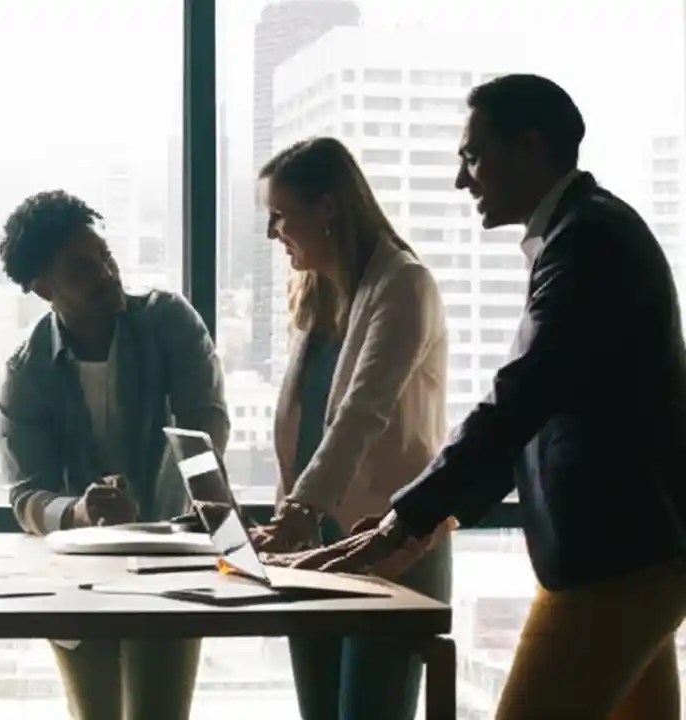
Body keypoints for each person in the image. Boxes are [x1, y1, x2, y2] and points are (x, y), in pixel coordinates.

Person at [278, 74, 686, 719]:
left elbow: (518, 401)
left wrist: (405, 519)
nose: (463, 179)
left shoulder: (586, 243)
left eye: (473, 156)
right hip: (636, 555)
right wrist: (418, 519)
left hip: (613, 563)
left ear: (528, 148)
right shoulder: (588, 233)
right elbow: (532, 410)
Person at [0, 189, 230, 720]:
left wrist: (186, 521)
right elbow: (26, 494)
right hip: (80, 568)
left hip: (170, 563)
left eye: (104, 255)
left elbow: (206, 424)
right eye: (82, 269)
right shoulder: (27, 371)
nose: (106, 273)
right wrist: (81, 513)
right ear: (42, 288)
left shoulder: (168, 321)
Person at [251, 137, 451, 720]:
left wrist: (301, 510)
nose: (273, 234)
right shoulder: (314, 300)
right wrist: (289, 513)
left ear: (329, 208)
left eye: (281, 216)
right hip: (312, 544)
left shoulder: (404, 285)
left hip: (386, 542)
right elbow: (305, 426)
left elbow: (362, 412)